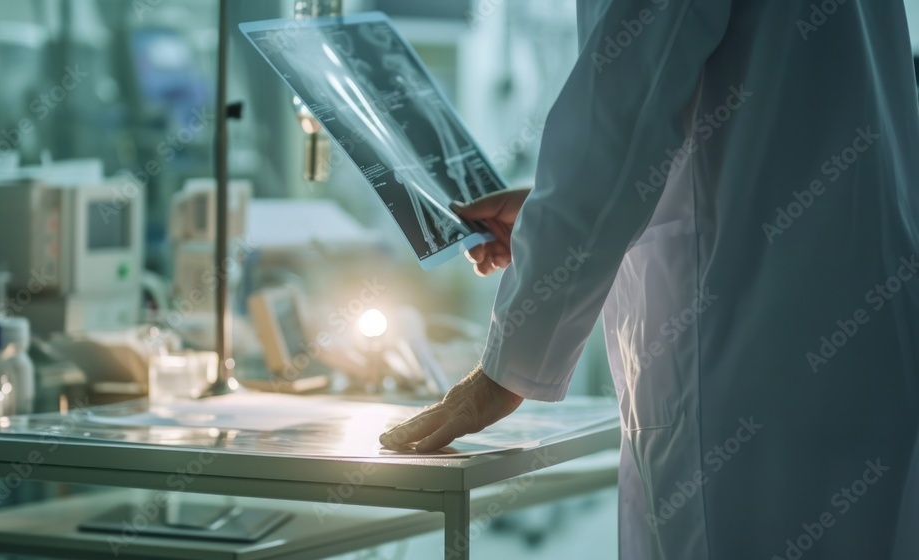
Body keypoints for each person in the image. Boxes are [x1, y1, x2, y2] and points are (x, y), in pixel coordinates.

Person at [380, 1, 919, 558]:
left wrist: (505, 369)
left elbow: (619, 119)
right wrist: (550, 218)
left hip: (753, 366)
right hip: (863, 330)